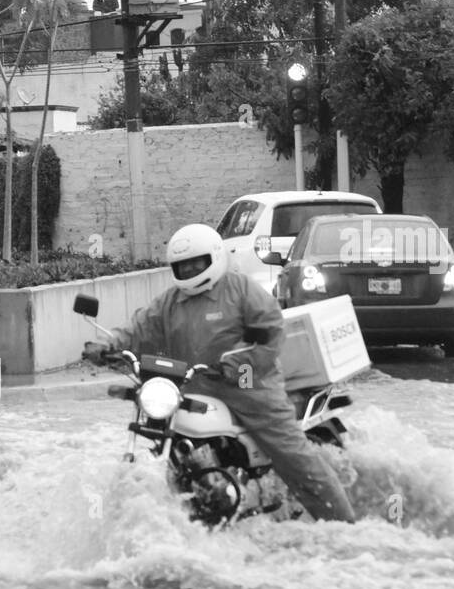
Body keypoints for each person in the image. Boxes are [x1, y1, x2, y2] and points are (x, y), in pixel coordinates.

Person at [83, 223, 356, 523]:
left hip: (248, 385)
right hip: (193, 386)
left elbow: (269, 336)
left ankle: (343, 523)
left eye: (195, 263)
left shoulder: (241, 290)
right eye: (182, 266)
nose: (189, 270)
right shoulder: (170, 302)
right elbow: (137, 328)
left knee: (292, 456)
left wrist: (236, 365)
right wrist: (107, 345)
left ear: (215, 256)